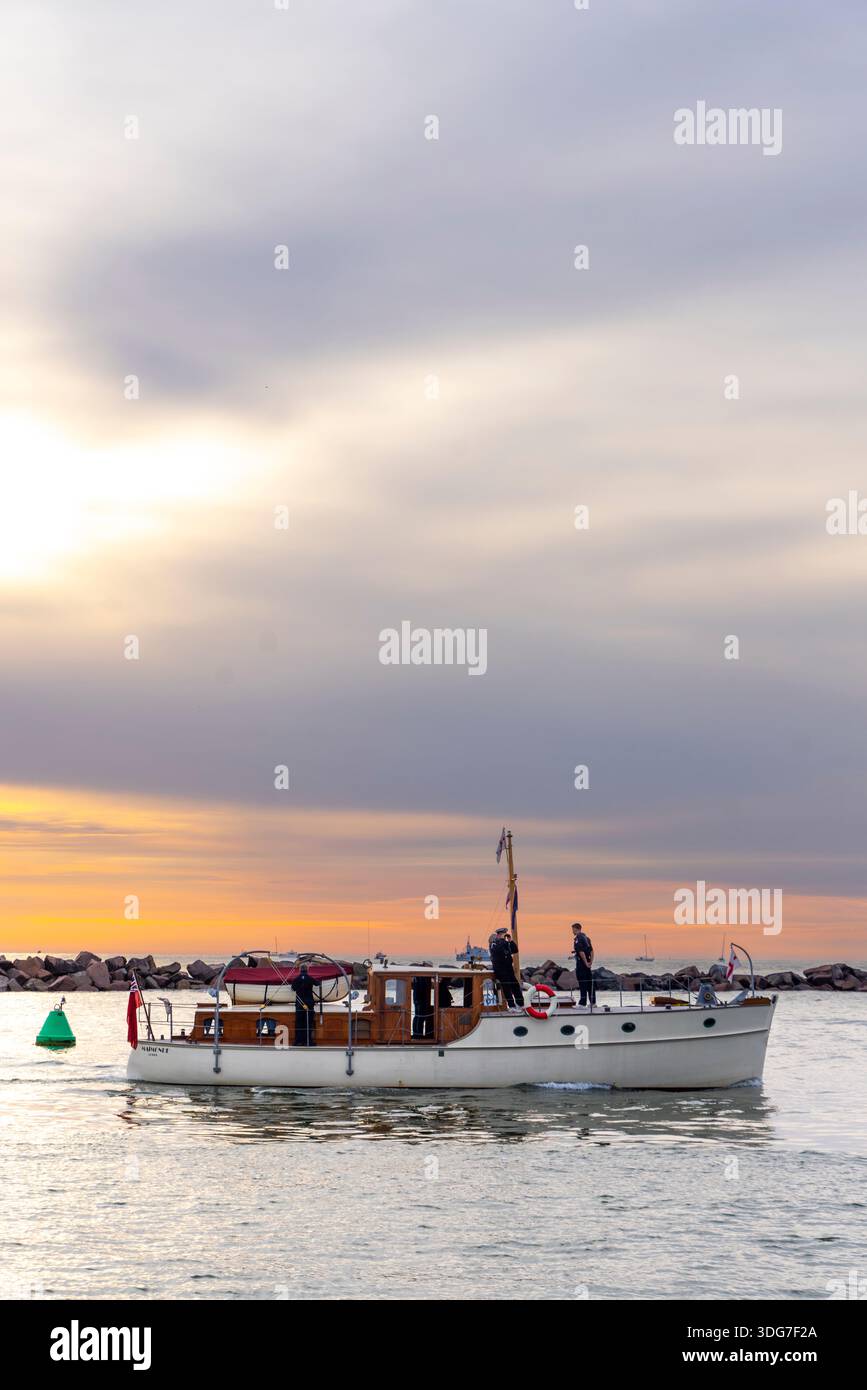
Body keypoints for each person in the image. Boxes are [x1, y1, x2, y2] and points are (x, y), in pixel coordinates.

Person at [489, 926, 524, 1011]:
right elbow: (499, 951)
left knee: (515, 985)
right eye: (502, 934)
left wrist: (510, 941)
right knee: (506, 988)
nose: (504, 936)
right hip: (501, 970)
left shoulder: (505, 943)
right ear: (498, 935)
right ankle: (511, 1006)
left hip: (508, 968)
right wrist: (502, 940)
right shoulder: (494, 944)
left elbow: (515, 950)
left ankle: (520, 1004)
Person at [571, 922, 596, 1007]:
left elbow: (581, 952)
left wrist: (585, 963)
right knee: (589, 984)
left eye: (573, 929)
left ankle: (582, 1003)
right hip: (588, 964)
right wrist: (590, 962)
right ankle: (593, 1003)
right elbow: (592, 951)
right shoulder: (587, 938)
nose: (572, 931)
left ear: (576, 929)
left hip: (582, 964)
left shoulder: (578, 939)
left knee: (583, 983)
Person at [293, 964, 317, 1047]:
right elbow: (317, 983)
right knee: (308, 1023)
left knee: (299, 1023)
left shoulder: (296, 979)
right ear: (307, 970)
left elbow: (293, 988)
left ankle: (298, 1041)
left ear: (299, 970)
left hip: (299, 1004)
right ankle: (308, 1041)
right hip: (309, 1003)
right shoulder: (310, 978)